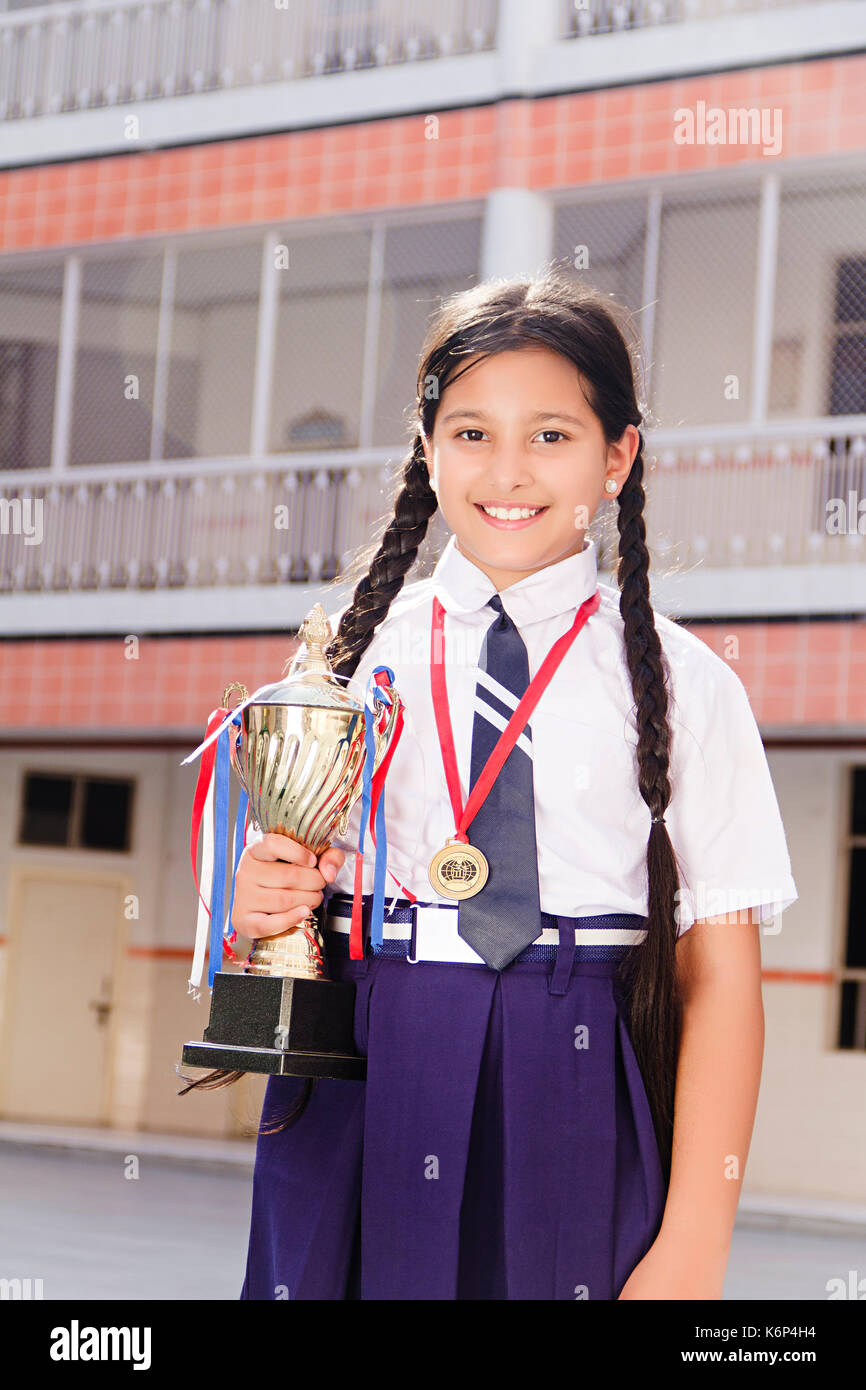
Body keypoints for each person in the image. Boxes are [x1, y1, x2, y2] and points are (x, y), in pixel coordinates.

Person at [234, 269, 798, 1300]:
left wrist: (694, 1246)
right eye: (469, 432)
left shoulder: (687, 685)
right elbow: (280, 931)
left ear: (616, 454)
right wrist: (260, 910)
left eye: (549, 434)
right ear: (425, 445)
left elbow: (719, 985)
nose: (507, 469)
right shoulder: (341, 673)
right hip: (367, 1065)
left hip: (572, 1066)